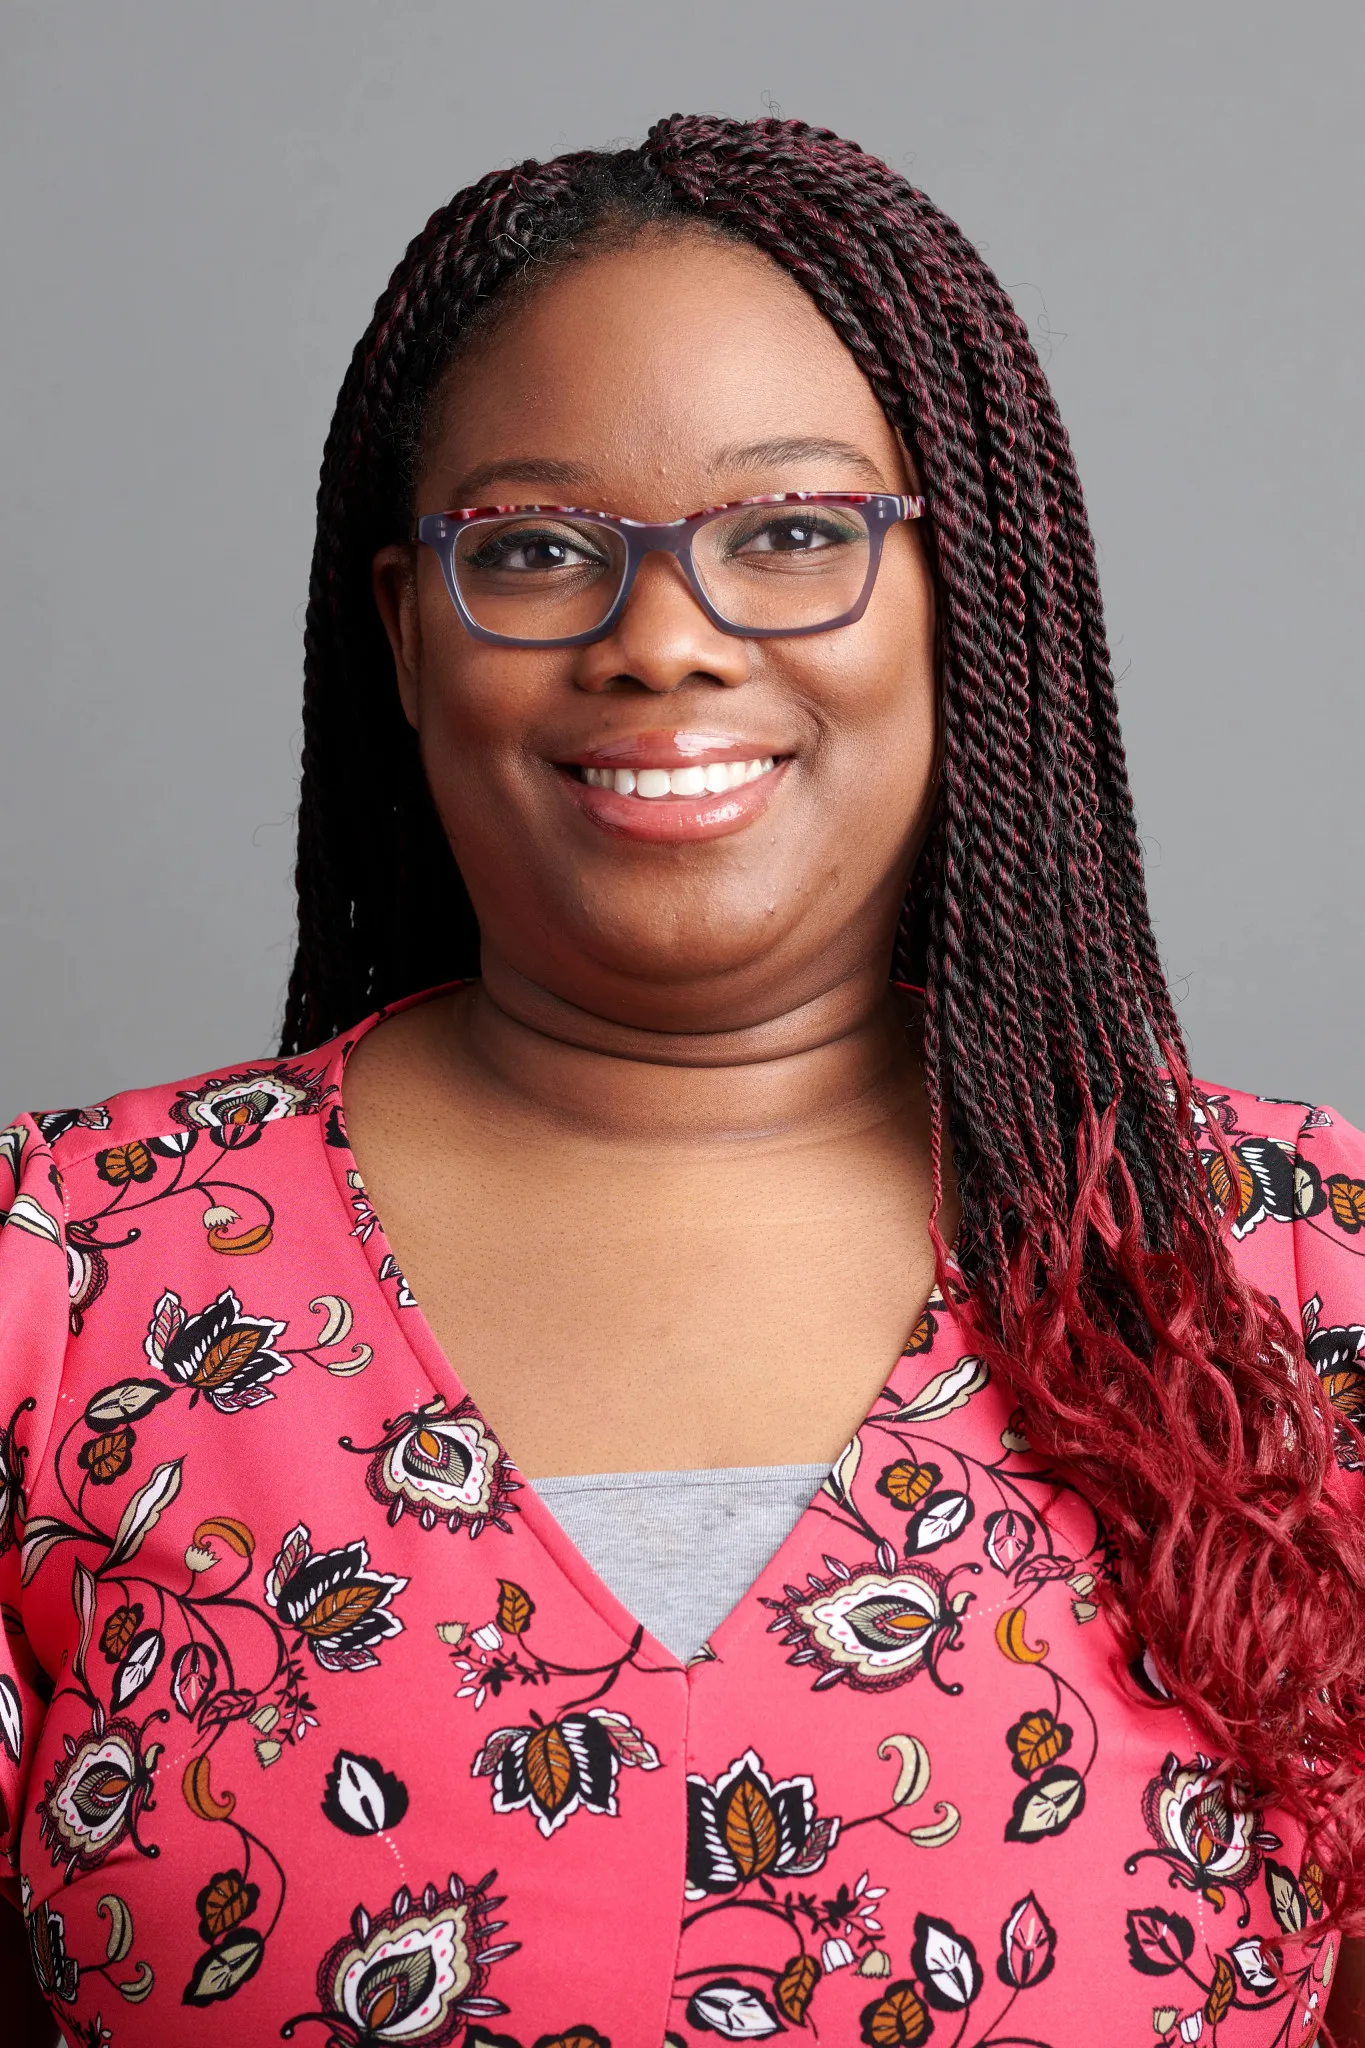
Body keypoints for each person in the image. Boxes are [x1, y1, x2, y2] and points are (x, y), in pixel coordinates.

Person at [1, 113, 1362, 2048]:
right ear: (408, 635)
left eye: (792, 535)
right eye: (536, 550)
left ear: (969, 594)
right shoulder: (59, 1292)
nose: (661, 641)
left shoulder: (1298, 1294)